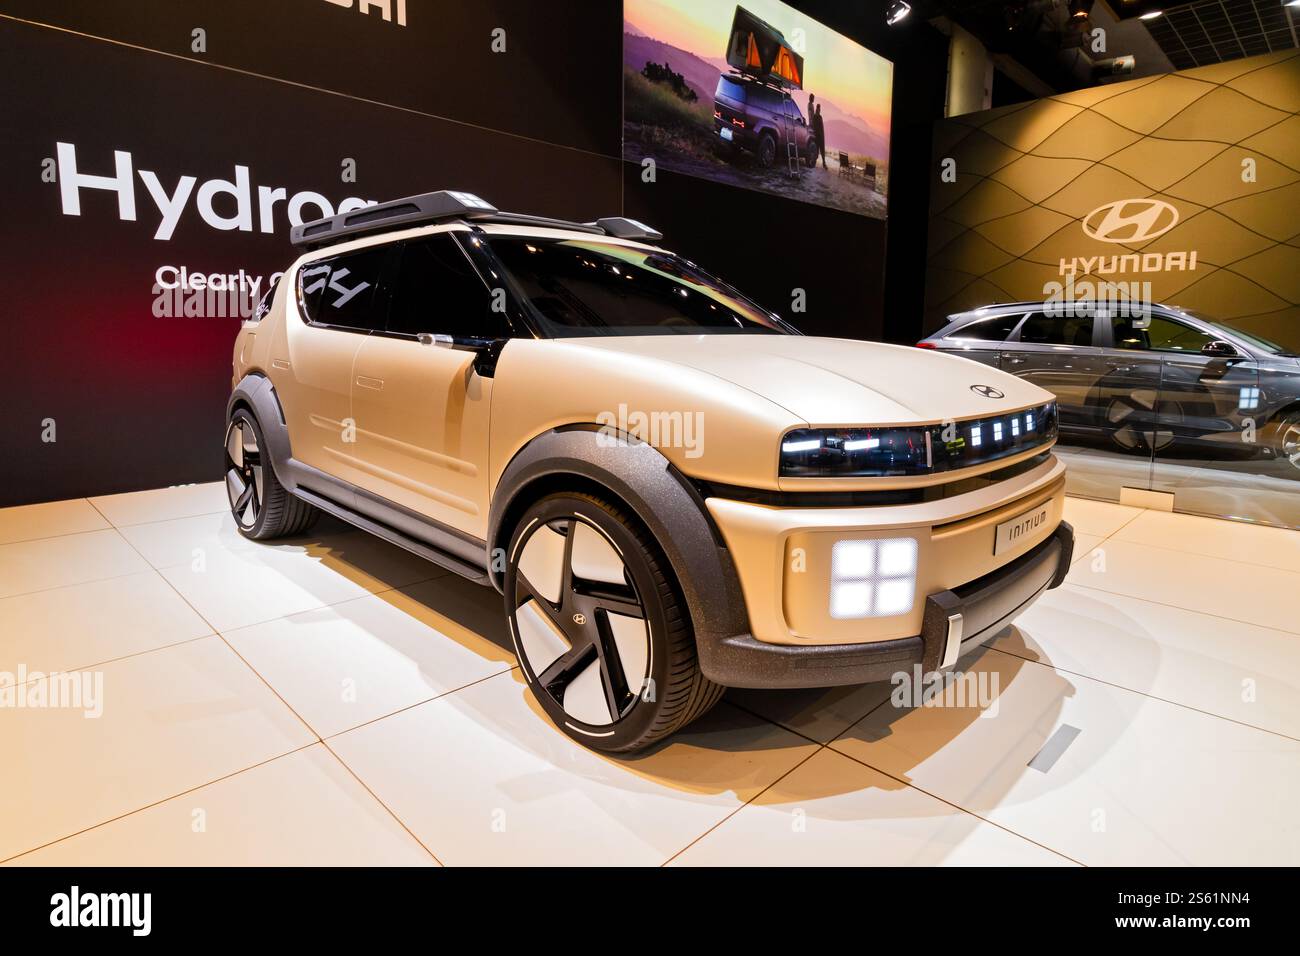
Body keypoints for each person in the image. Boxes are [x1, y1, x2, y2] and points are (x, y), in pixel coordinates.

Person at [812, 103, 827, 169]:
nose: (819, 110)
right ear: (816, 109)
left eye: (819, 109)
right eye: (818, 108)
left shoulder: (820, 117)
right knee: (817, 150)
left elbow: (822, 127)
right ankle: (814, 162)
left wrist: (822, 135)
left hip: (821, 136)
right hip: (817, 136)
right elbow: (814, 126)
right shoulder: (815, 117)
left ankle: (824, 163)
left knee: (822, 150)